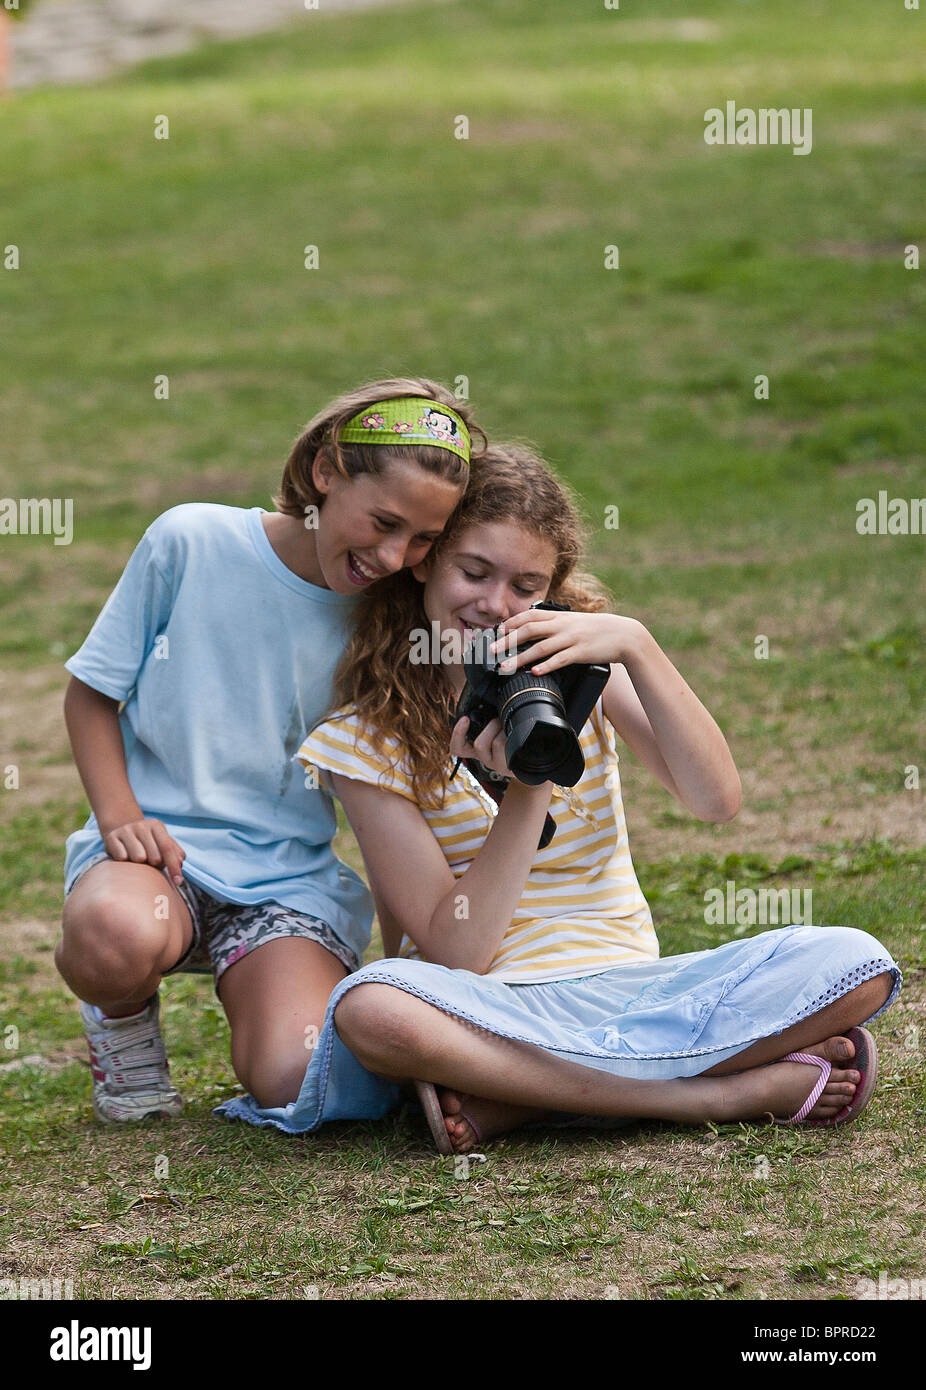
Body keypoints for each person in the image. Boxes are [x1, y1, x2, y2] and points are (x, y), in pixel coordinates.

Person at [217, 443, 901, 1150]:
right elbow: (457, 954)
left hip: (631, 992)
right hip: (491, 1008)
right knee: (372, 1009)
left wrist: (637, 646)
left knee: (855, 961)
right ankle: (714, 1093)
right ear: (425, 562)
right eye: (474, 572)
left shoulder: (585, 677)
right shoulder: (367, 740)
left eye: (525, 585)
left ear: (553, 591)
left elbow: (715, 800)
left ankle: (525, 1100)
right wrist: (530, 783)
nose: (495, 605)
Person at [56, 379, 485, 1123]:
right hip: (156, 859)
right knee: (114, 935)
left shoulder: (394, 618)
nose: (392, 556)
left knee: (295, 1077)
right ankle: (122, 1031)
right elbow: (92, 694)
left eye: (422, 541)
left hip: (287, 884)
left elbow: (398, 791)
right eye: (383, 521)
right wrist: (120, 816)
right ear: (326, 472)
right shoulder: (190, 540)